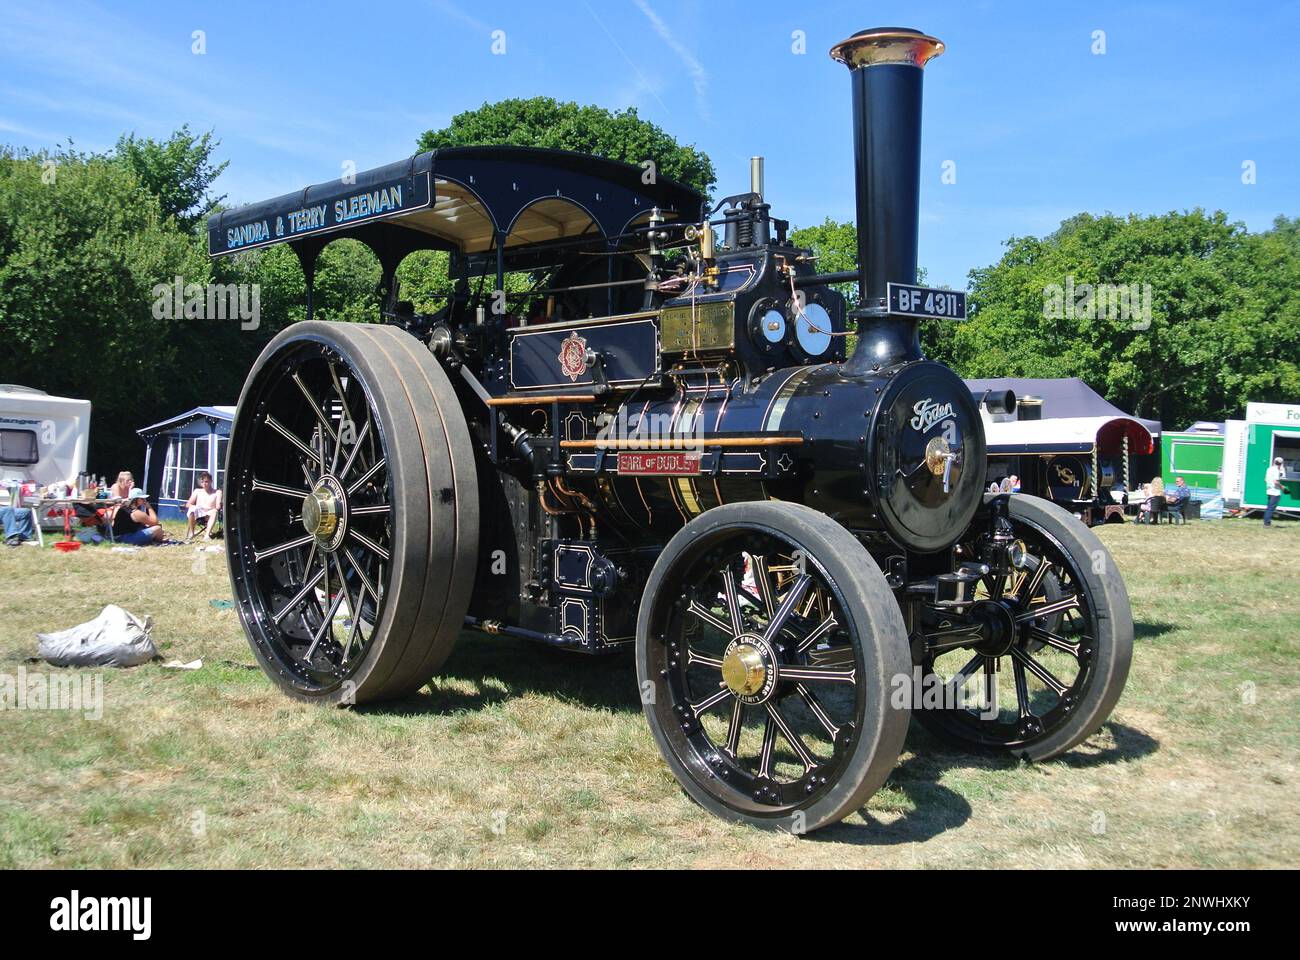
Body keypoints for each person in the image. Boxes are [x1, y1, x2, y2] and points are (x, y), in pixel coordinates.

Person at [184, 472, 223, 540]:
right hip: (198, 513)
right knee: (192, 509)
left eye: (206, 482)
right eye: (202, 482)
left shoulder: (217, 492)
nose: (204, 484)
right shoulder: (197, 491)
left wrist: (218, 506)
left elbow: (218, 506)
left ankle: (207, 535)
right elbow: (188, 504)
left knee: (214, 511)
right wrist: (194, 507)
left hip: (209, 514)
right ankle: (192, 533)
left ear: (211, 481)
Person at [1264, 457, 1285, 527]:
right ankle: (1267, 524)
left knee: (1269, 508)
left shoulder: (1269, 469)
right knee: (1271, 508)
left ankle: (1266, 522)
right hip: (1275, 491)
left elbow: (1265, 479)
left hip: (1269, 490)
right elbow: (1276, 481)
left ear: (1274, 461)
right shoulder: (1276, 470)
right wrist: (1282, 487)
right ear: (1281, 463)